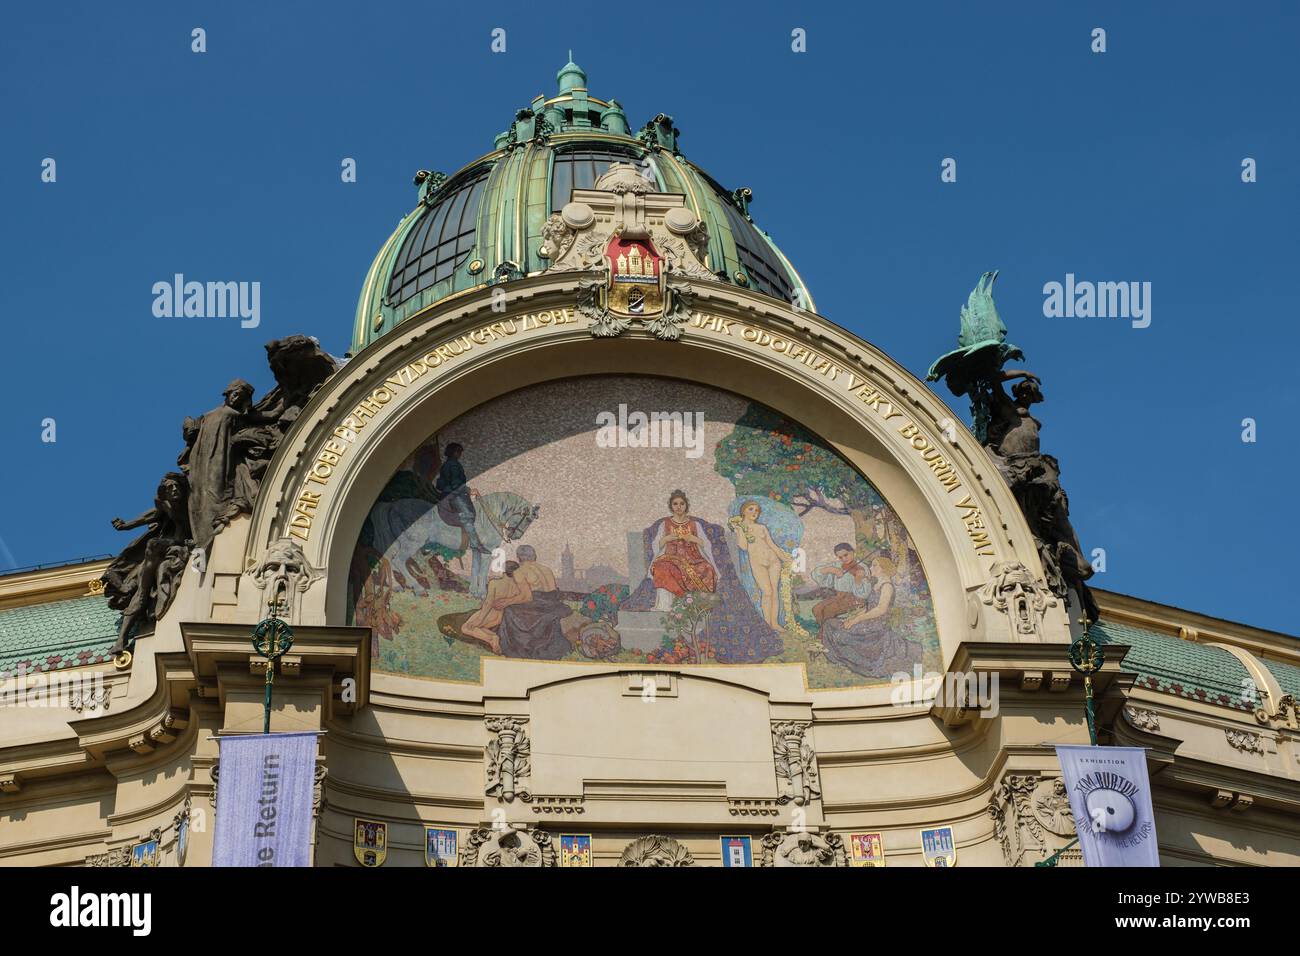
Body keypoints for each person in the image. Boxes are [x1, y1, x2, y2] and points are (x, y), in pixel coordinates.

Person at [648, 490, 719, 611]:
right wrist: (667, 538)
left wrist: (693, 538)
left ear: (686, 506)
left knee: (707, 568)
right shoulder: (665, 524)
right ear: (671, 506)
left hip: (693, 557)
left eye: (682, 503)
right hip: (670, 556)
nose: (679, 507)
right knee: (662, 567)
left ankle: (697, 604)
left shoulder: (694, 524)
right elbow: (656, 544)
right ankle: (668, 605)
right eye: (675, 504)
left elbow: (706, 543)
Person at [497, 546, 571, 659]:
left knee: (509, 610)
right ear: (534, 556)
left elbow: (526, 597)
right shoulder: (546, 569)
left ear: (519, 558)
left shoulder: (519, 571)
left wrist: (506, 601)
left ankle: (516, 646)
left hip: (537, 605)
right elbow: (553, 592)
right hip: (553, 603)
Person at [728, 500, 792, 628]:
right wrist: (740, 530)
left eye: (757, 510)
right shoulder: (741, 528)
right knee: (767, 592)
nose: (754, 513)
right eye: (751, 509)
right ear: (743, 511)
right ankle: (767, 624)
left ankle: (775, 623)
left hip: (774, 561)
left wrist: (785, 558)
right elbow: (743, 547)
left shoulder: (762, 527)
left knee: (774, 592)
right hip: (758, 563)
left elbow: (772, 545)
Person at [433, 442, 488, 554]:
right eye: (459, 452)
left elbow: (441, 484)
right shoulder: (453, 464)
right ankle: (476, 545)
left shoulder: (446, 465)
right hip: (453, 495)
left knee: (467, 516)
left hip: (447, 495)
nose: (460, 454)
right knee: (468, 516)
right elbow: (455, 483)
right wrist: (469, 490)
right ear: (454, 452)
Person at [461, 561, 523, 653]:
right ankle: (494, 636)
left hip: (490, 614)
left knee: (466, 627)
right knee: (481, 628)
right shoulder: (518, 587)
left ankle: (490, 639)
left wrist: (480, 619)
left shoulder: (494, 583)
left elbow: (488, 603)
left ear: (503, 570)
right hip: (500, 617)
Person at [810, 543, 871, 625]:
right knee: (816, 608)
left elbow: (865, 593)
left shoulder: (862, 567)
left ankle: (826, 634)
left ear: (853, 552)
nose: (844, 559)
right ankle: (825, 631)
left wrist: (858, 579)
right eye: (840, 557)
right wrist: (830, 569)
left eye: (846, 555)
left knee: (829, 610)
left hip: (855, 599)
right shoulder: (838, 565)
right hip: (839, 597)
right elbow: (816, 573)